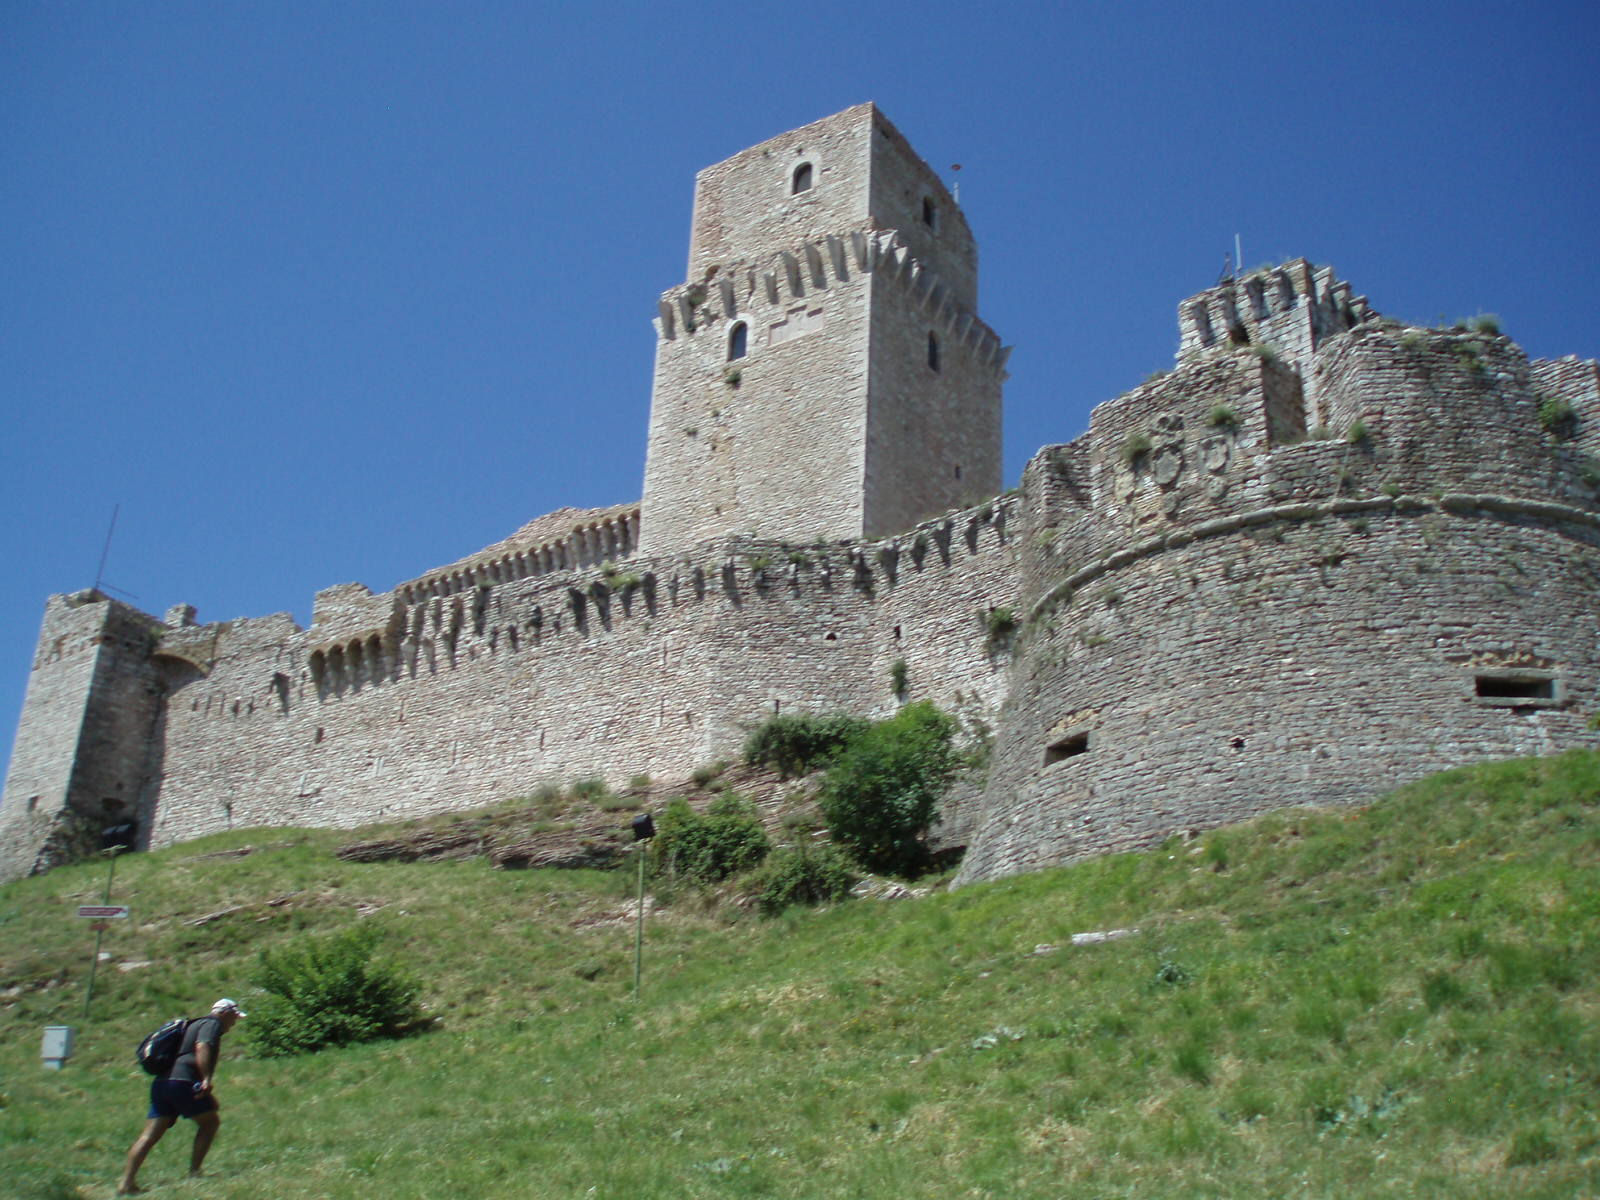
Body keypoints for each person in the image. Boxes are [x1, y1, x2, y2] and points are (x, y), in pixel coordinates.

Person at [117, 998, 245, 1195]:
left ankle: (126, 1183)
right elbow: (202, 1047)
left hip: (162, 1083)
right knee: (210, 1123)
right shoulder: (211, 1024)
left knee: (148, 1136)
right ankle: (195, 1172)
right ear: (224, 1013)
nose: (234, 1022)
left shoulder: (191, 1025)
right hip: (183, 1081)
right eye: (234, 1017)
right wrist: (206, 1079)